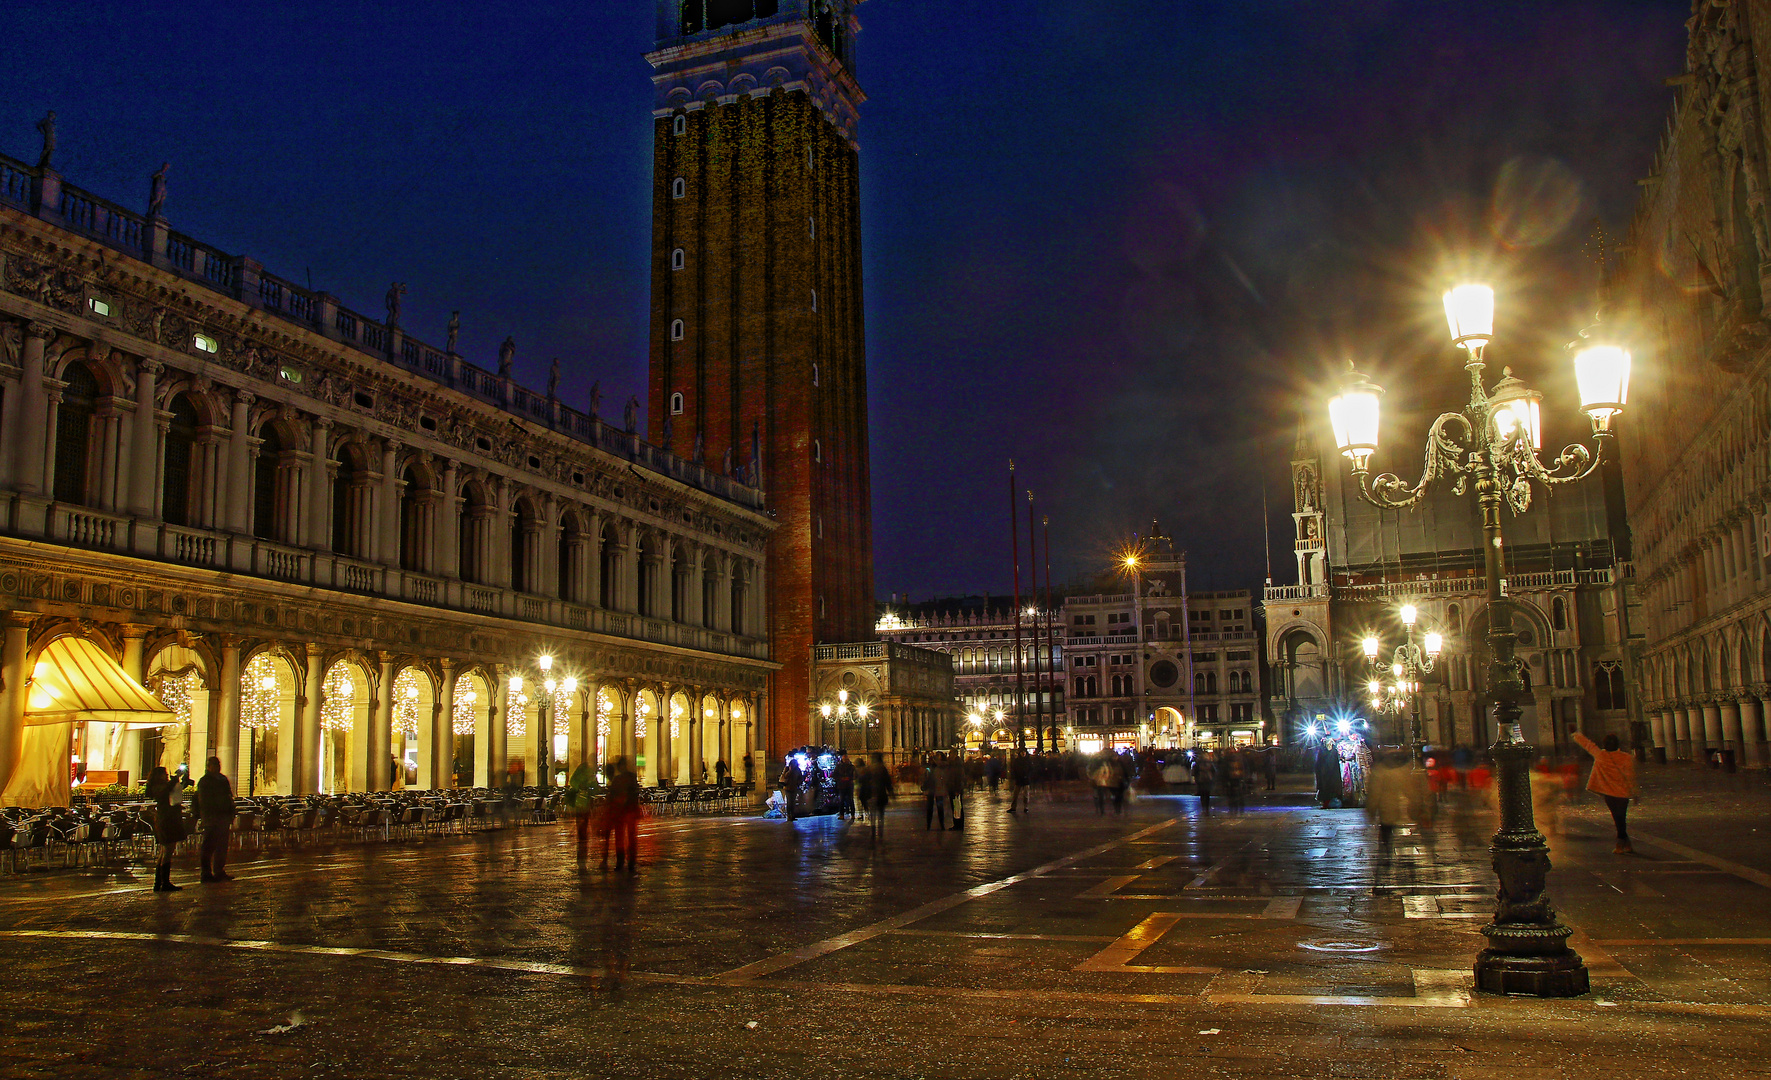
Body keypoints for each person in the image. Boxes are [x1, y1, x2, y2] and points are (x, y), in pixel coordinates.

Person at [1572, 731, 1638, 854]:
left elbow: (1588, 745)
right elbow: (1630, 776)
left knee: (1617, 818)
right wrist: (1635, 793)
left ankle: (1621, 843)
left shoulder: (1601, 755)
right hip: (1623, 793)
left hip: (1609, 793)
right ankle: (1625, 843)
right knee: (1620, 818)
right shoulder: (1626, 758)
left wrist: (1576, 735)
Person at [146, 766, 187, 892]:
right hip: (166, 819)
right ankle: (164, 882)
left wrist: (183, 777)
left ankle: (159, 882)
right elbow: (164, 792)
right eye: (164, 774)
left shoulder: (164, 785)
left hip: (169, 817)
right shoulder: (157, 786)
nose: (166, 775)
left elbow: (176, 789)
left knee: (165, 851)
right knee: (167, 850)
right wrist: (175, 779)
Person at [194, 757, 235, 882]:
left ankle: (219, 870)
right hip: (211, 818)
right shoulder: (205, 781)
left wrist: (230, 812)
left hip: (222, 817)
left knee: (222, 846)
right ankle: (206, 873)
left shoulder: (222, 780)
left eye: (218, 764)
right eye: (214, 765)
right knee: (208, 846)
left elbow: (229, 796)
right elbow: (202, 800)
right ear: (208, 766)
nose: (217, 767)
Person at [603, 757, 642, 870]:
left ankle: (623, 861)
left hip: (623, 811)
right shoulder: (630, 778)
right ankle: (629, 861)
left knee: (622, 837)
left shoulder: (620, 779)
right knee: (628, 837)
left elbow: (613, 795)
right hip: (626, 811)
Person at [860, 752, 894, 844]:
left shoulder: (868, 769)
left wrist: (862, 796)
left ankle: (873, 831)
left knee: (873, 814)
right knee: (881, 815)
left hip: (871, 795)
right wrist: (891, 793)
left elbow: (863, 783)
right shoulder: (882, 769)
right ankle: (880, 833)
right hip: (881, 795)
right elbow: (888, 782)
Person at [567, 762, 597, 865]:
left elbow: (573, 783)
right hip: (585, 805)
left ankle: (582, 842)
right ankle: (583, 841)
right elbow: (595, 787)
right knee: (583, 825)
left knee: (580, 825)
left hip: (579, 805)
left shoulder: (577, 778)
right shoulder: (589, 776)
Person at [1315, 741, 1344, 809]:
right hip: (1327, 773)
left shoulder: (1330, 749)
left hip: (1329, 773)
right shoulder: (1325, 748)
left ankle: (1329, 801)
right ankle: (1328, 801)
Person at [922, 752, 948, 830]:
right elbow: (925, 777)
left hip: (939, 790)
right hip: (931, 790)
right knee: (929, 808)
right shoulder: (929, 768)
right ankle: (928, 825)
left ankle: (942, 825)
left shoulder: (941, 766)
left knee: (940, 808)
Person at [779, 753, 803, 822]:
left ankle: (792, 815)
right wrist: (790, 770)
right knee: (789, 802)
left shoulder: (797, 769)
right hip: (788, 788)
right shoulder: (787, 769)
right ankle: (789, 815)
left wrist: (799, 782)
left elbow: (800, 777)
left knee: (793, 802)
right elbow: (785, 776)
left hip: (794, 787)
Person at [943, 754, 964, 829]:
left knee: (956, 807)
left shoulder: (956, 767)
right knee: (956, 807)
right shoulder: (955, 766)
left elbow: (958, 778)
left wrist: (957, 790)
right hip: (953, 788)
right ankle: (957, 824)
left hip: (955, 789)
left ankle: (958, 824)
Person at [834, 754, 857, 820]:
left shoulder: (851, 767)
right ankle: (842, 814)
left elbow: (854, 775)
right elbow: (835, 775)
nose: (845, 761)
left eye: (846, 759)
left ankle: (852, 814)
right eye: (844, 759)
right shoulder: (838, 766)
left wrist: (849, 778)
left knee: (850, 800)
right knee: (841, 800)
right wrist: (841, 779)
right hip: (841, 786)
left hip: (849, 785)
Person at [1193, 751, 1216, 816]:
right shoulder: (1207, 763)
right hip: (1204, 780)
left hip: (1204, 780)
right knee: (1205, 794)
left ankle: (1205, 808)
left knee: (1205, 794)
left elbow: (1195, 772)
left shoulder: (1200, 763)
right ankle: (1205, 808)